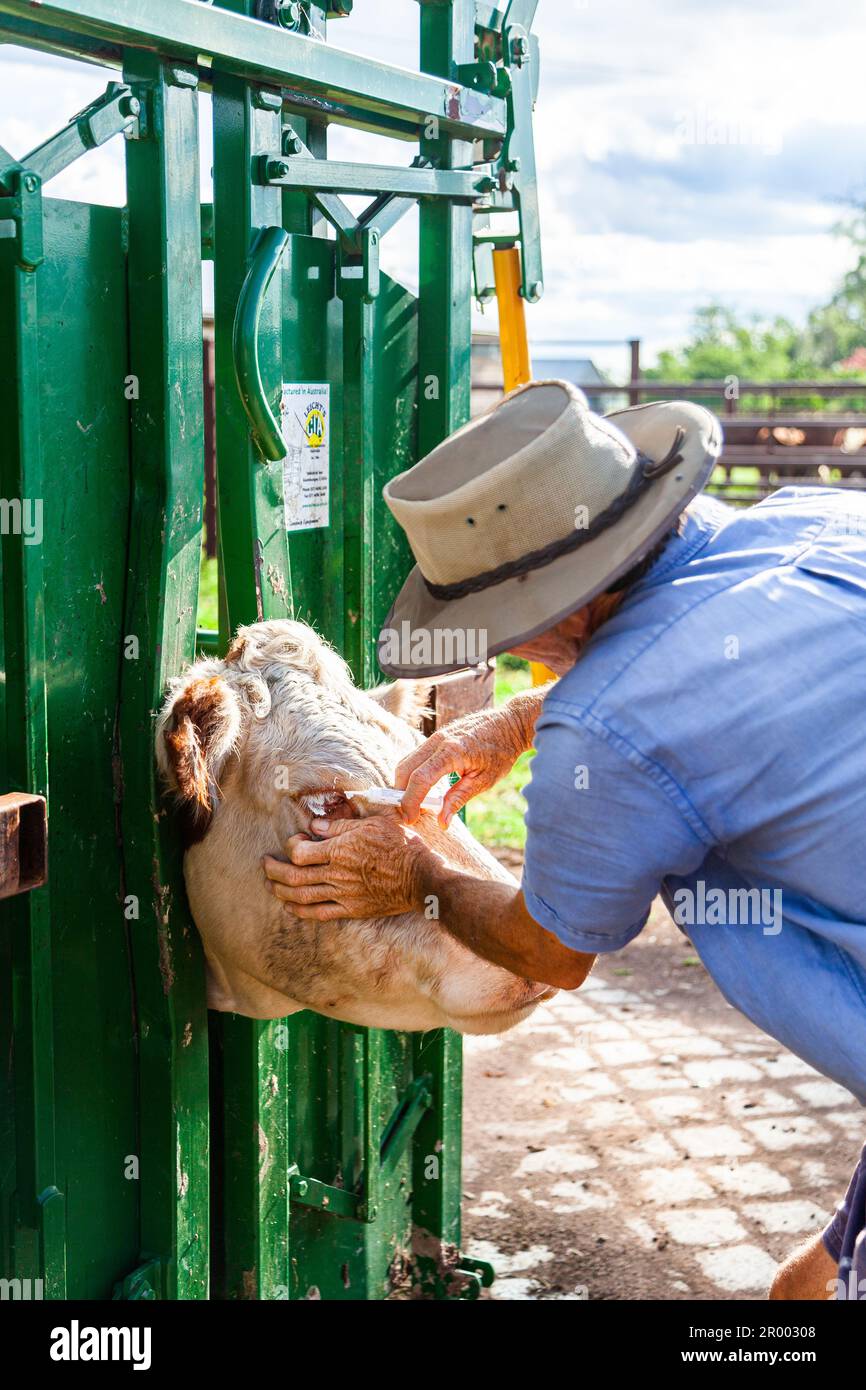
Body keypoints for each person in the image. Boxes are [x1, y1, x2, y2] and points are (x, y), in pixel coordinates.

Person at [264, 379, 866, 1301]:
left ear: (561, 612)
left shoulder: (612, 725)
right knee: (802, 1295)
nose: (517, 653)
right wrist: (519, 720)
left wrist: (413, 874)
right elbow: (714, 668)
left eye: (514, 637)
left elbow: (553, 949)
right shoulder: (811, 520)